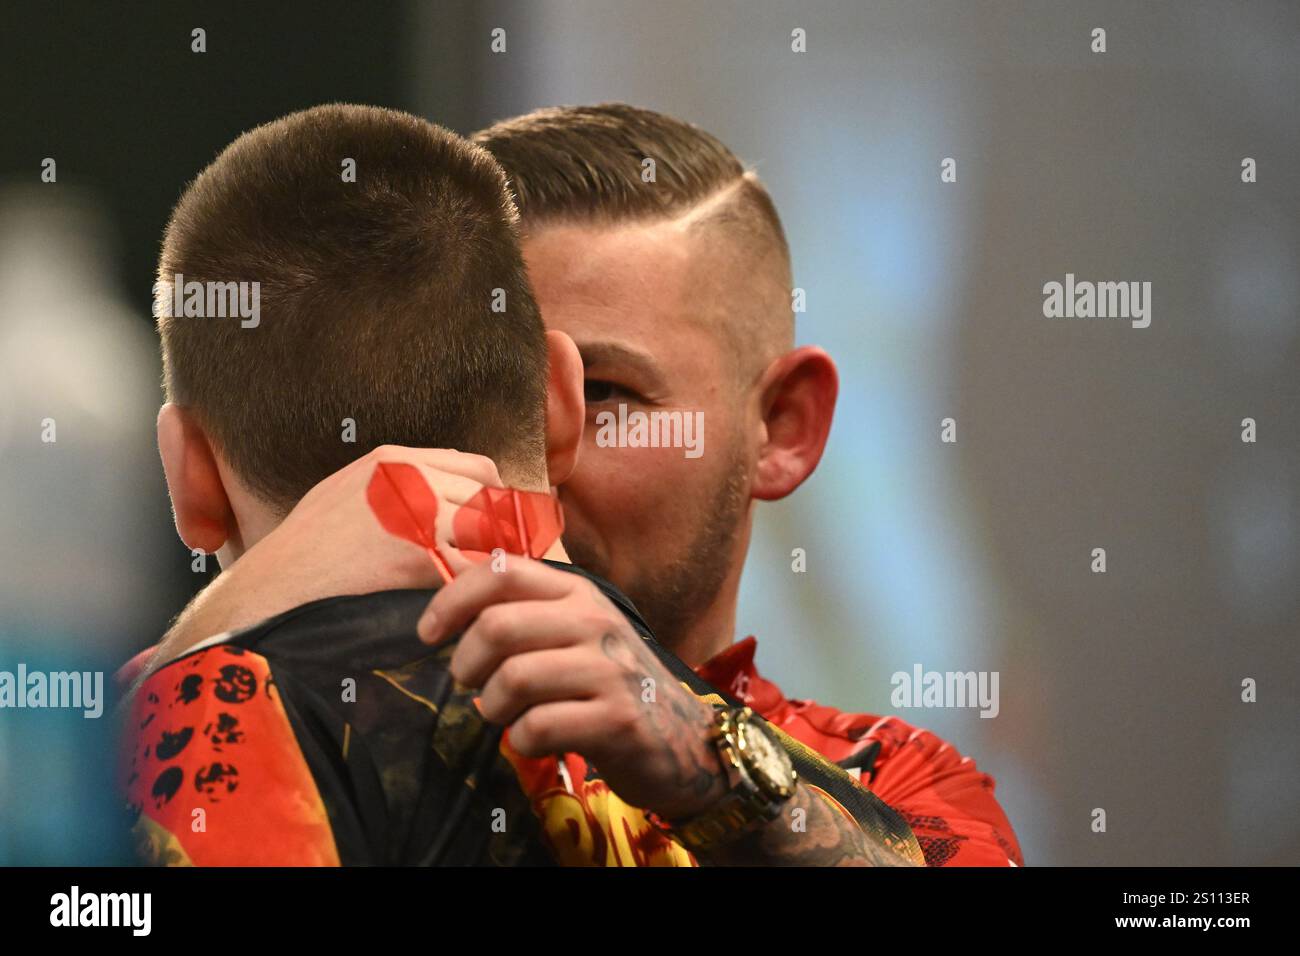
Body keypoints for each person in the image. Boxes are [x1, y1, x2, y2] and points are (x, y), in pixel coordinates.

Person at [121, 103, 922, 867]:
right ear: (556, 408)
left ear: (190, 474)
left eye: (620, 391)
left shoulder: (165, 734)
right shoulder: (174, 707)